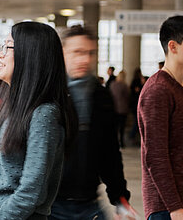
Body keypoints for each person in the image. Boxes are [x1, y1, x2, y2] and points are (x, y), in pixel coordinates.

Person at [0, 22, 77, 219]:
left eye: (8, 47)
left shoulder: (44, 114)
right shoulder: (7, 108)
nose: (1, 55)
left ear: (30, 55)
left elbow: (31, 190)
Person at [50, 24, 134, 220]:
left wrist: (120, 200)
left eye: (90, 53)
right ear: (62, 53)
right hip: (50, 205)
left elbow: (110, 153)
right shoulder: (50, 93)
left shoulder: (101, 96)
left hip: (88, 204)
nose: (84, 59)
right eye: (77, 52)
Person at [138, 16, 183, 220]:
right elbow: (155, 156)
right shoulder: (157, 91)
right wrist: (174, 208)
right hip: (166, 207)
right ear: (173, 46)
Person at [111, 71, 131, 149]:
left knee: (115, 127)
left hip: (114, 108)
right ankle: (122, 143)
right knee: (122, 127)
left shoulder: (112, 84)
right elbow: (128, 96)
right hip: (123, 108)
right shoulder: (124, 85)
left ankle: (114, 142)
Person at [126, 68, 145, 146]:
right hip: (137, 105)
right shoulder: (137, 82)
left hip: (134, 105)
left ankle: (133, 137)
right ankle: (131, 136)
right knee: (137, 122)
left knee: (137, 121)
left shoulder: (133, 81)